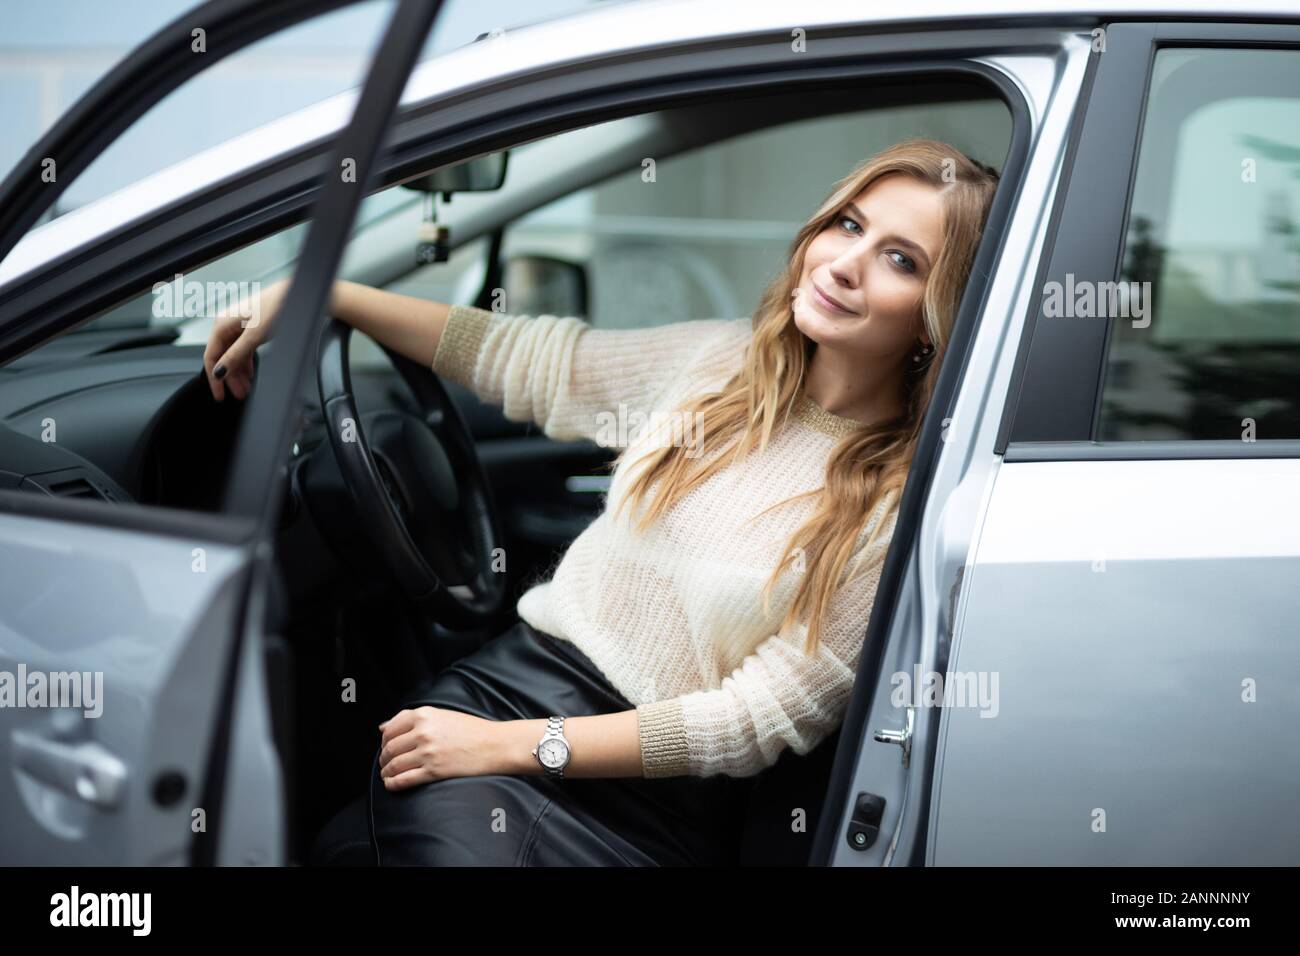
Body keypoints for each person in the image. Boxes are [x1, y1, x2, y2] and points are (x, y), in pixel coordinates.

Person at [204, 137, 1000, 866]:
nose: (843, 263)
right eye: (848, 225)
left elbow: (750, 723)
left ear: (937, 316)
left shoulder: (898, 502)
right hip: (507, 689)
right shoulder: (719, 365)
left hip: (636, 792)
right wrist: (329, 295)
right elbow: (524, 357)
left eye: (899, 258)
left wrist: (518, 749)